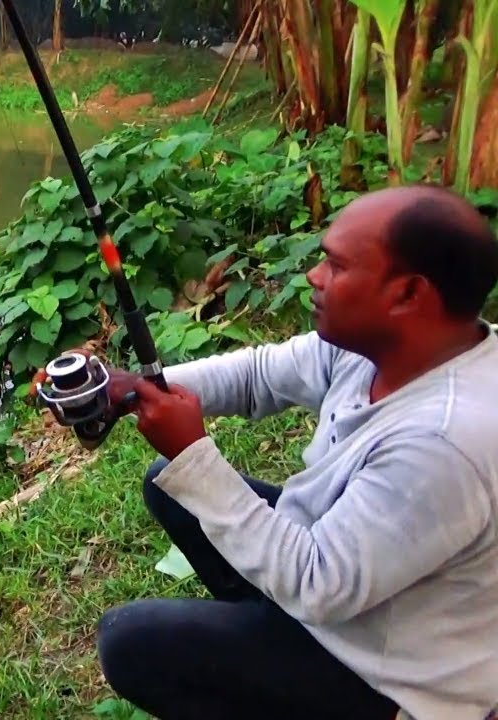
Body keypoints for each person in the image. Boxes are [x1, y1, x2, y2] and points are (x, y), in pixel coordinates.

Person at [91, 184, 498, 720]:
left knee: (128, 641)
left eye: (337, 265)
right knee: (170, 484)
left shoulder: (444, 441)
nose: (314, 276)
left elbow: (317, 585)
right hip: (356, 593)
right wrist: (127, 391)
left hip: (390, 674)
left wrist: (194, 452)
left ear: (408, 295)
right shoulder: (392, 348)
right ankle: (262, 642)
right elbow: (258, 376)